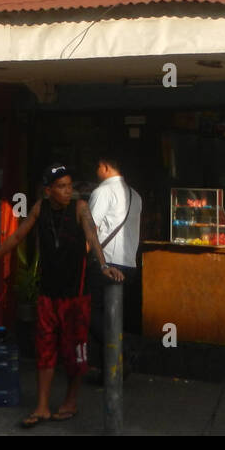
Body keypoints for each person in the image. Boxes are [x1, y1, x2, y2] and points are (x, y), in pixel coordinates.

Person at [0, 164, 122, 427]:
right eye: (61, 187)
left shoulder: (80, 208)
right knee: (45, 350)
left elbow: (92, 235)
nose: (68, 191)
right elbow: (17, 236)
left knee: (76, 351)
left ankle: (70, 401)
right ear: (48, 190)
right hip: (48, 295)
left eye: (69, 186)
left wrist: (105, 265)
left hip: (76, 295)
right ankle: (42, 406)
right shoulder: (40, 209)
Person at [86, 154, 142, 382]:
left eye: (98, 166)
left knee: (89, 312)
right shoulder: (135, 196)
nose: (96, 170)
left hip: (106, 263)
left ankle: (122, 348)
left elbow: (90, 230)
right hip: (129, 264)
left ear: (106, 167)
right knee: (110, 316)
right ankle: (110, 371)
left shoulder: (103, 192)